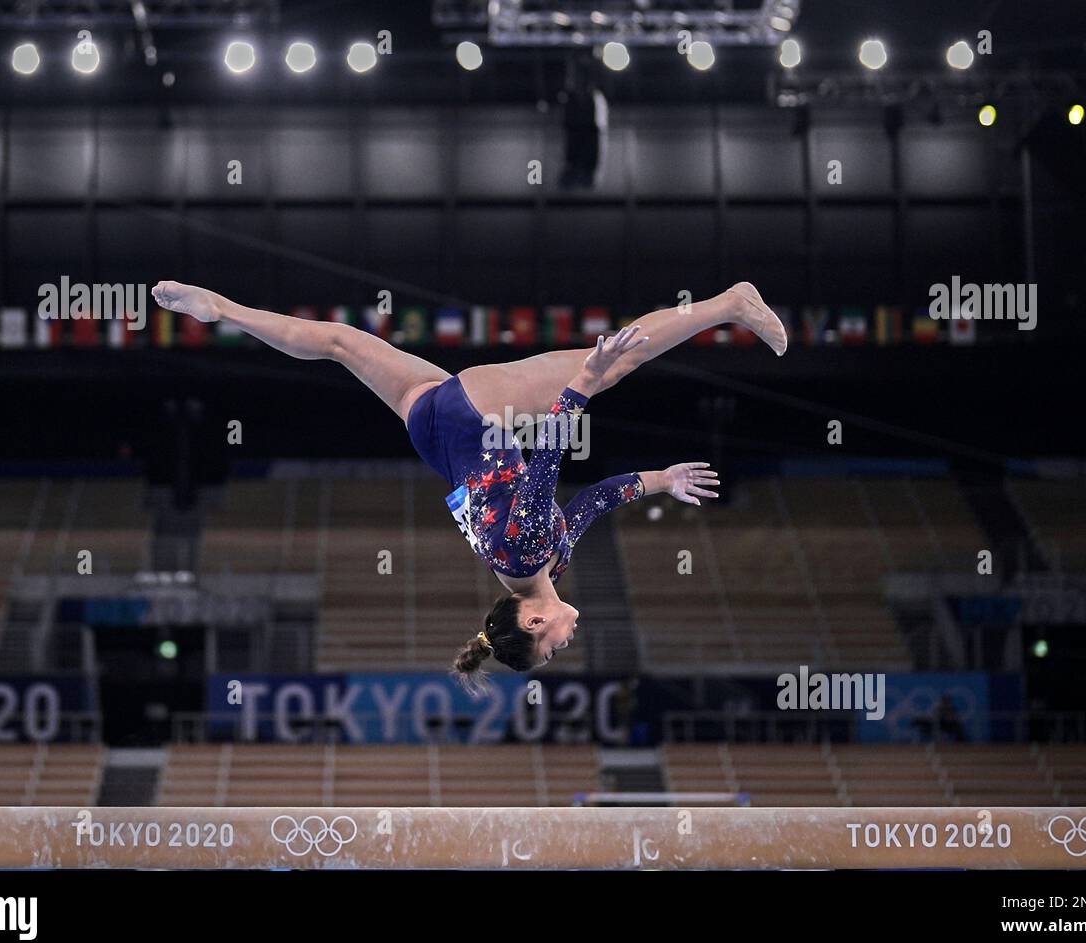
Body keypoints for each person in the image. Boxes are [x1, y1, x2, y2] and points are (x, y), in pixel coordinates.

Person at [152, 280, 787, 689]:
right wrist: (660, 479)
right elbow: (593, 501)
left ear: (534, 621)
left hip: (475, 419)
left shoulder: (530, 554)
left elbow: (546, 465)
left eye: (552, 649)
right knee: (341, 345)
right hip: (434, 436)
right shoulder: (543, 565)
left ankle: (730, 303)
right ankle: (224, 308)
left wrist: (583, 387)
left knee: (617, 361)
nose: (567, 643)